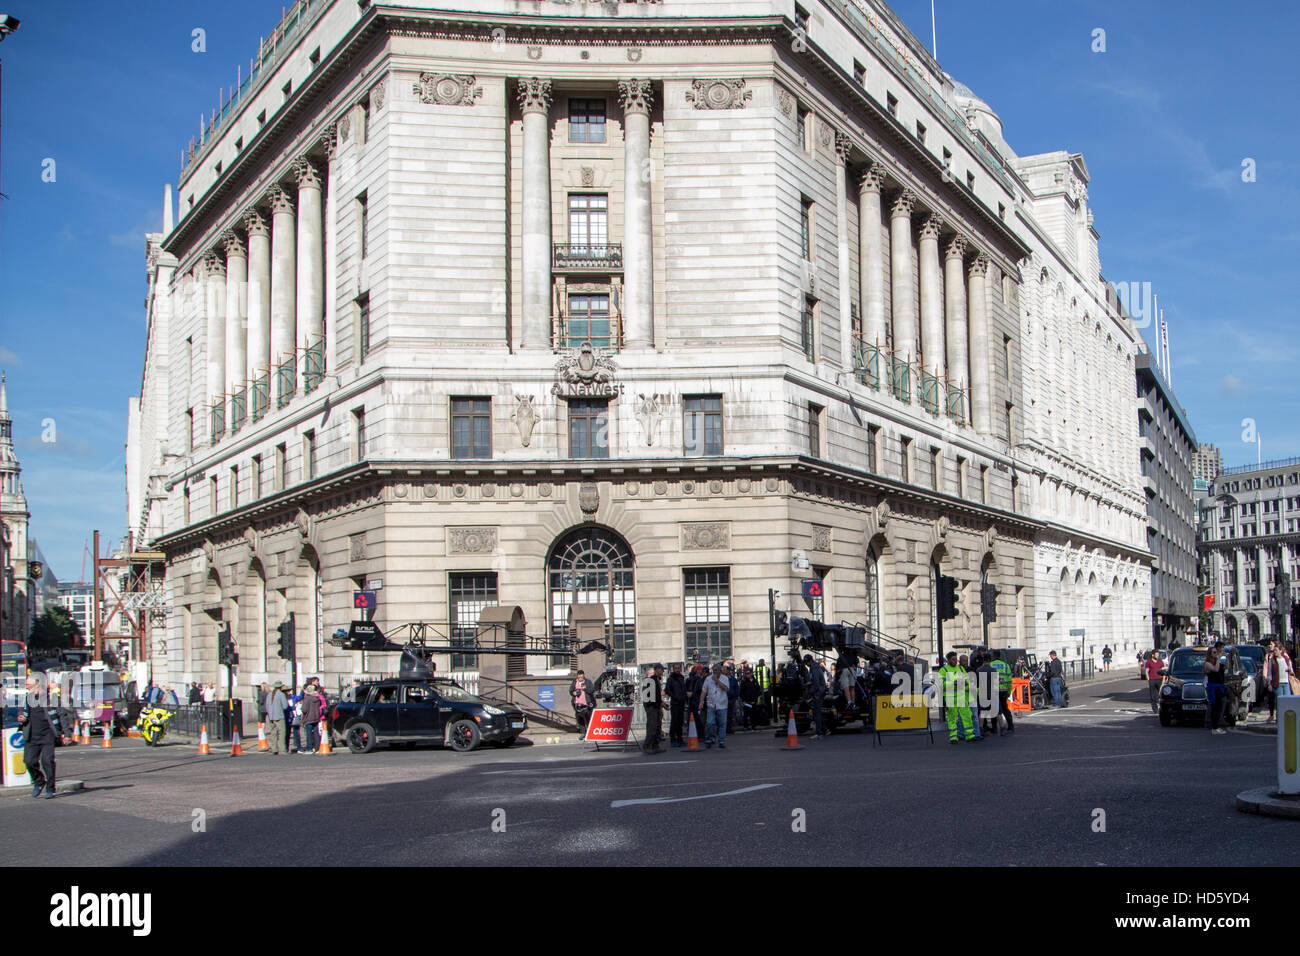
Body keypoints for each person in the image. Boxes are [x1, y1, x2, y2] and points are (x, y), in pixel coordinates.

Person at [17, 675, 59, 798]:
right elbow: (23, 713)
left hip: (47, 735)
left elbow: (61, 714)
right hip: (32, 736)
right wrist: (22, 718)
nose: (26, 687)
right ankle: (39, 781)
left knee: (47, 761)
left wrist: (66, 734)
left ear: (36, 684)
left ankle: (50, 788)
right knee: (29, 761)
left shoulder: (49, 698)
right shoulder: (27, 699)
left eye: (28, 684)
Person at [938, 652, 977, 744]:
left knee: (967, 716)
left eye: (956, 659)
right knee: (952, 718)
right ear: (947, 660)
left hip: (961, 697)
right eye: (953, 659)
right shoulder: (943, 670)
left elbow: (967, 680)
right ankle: (953, 737)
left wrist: (966, 683)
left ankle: (970, 736)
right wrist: (953, 683)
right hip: (950, 697)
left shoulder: (961, 668)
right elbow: (941, 684)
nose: (955, 661)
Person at [702, 664, 731, 748]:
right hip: (711, 704)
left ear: (719, 671)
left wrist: (717, 681)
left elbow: (726, 688)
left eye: (716, 670)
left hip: (722, 704)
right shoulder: (708, 679)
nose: (714, 672)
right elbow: (704, 691)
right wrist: (701, 701)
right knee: (710, 722)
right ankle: (709, 738)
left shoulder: (724, 678)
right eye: (713, 670)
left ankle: (721, 741)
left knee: (722, 723)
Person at [640, 663, 665, 754]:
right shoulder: (650, 681)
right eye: (661, 670)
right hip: (652, 707)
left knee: (657, 727)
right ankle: (647, 746)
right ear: (656, 670)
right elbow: (649, 697)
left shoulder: (655, 680)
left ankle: (655, 745)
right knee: (652, 727)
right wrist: (657, 704)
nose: (662, 672)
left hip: (655, 706)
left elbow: (657, 695)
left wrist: (661, 704)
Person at [1204, 646, 1229, 735]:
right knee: (1215, 707)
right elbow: (1215, 669)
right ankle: (1214, 727)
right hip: (1213, 688)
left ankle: (1216, 726)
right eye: (1214, 652)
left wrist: (1226, 657)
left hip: (1219, 687)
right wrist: (1218, 659)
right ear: (1210, 654)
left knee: (1220, 707)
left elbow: (1226, 667)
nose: (1216, 654)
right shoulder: (1207, 664)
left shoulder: (1218, 663)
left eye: (1216, 652)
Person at [989, 653, 1014, 735]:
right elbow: (1009, 680)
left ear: (993, 656)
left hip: (994, 690)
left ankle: (994, 728)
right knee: (1005, 709)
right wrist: (1009, 692)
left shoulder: (990, 665)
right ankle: (1010, 726)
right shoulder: (1006, 666)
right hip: (1004, 690)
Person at [805, 655, 828, 737]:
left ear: (810, 661)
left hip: (818, 693)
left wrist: (810, 692)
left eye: (807, 662)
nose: (806, 664)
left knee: (817, 713)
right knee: (818, 712)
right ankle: (824, 729)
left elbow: (816, 683)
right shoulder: (815, 667)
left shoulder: (814, 669)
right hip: (819, 692)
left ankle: (819, 732)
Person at [666, 662, 687, 747]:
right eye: (675, 668)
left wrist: (684, 697)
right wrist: (675, 697)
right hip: (675, 703)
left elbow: (683, 689)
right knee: (674, 721)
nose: (677, 670)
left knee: (680, 722)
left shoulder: (681, 678)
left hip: (681, 702)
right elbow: (667, 690)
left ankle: (680, 739)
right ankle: (673, 739)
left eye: (678, 668)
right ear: (673, 669)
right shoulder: (671, 679)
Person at [265, 681, 288, 754]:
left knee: (273, 733)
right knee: (281, 733)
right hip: (279, 716)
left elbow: (266, 706)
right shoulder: (281, 694)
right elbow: (285, 706)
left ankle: (274, 748)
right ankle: (282, 749)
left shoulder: (269, 694)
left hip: (271, 716)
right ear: (280, 687)